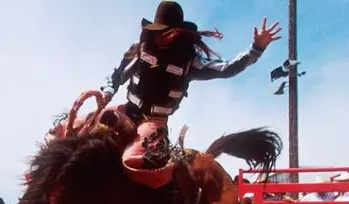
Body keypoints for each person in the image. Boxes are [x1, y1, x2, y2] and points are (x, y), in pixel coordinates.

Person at [101, 1, 282, 170]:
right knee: (85, 126)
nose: (161, 36)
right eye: (158, 30)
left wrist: (256, 48)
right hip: (126, 111)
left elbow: (227, 69)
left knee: (134, 160)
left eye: (166, 32)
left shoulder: (190, 60)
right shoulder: (139, 48)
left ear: (178, 33)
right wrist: (107, 92)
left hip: (153, 122)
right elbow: (117, 75)